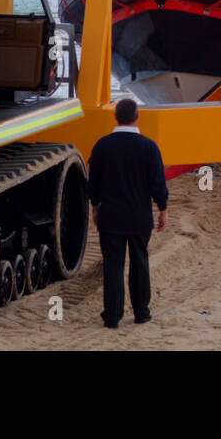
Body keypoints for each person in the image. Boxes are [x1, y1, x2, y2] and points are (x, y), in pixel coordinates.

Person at [87, 98, 168, 328]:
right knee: (140, 262)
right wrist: (163, 209)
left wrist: (95, 207)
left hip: (111, 216)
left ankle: (112, 316)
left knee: (113, 265)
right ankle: (141, 312)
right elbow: (157, 184)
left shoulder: (102, 145)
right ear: (137, 116)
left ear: (116, 117)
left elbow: (93, 183)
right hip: (139, 216)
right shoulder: (149, 147)